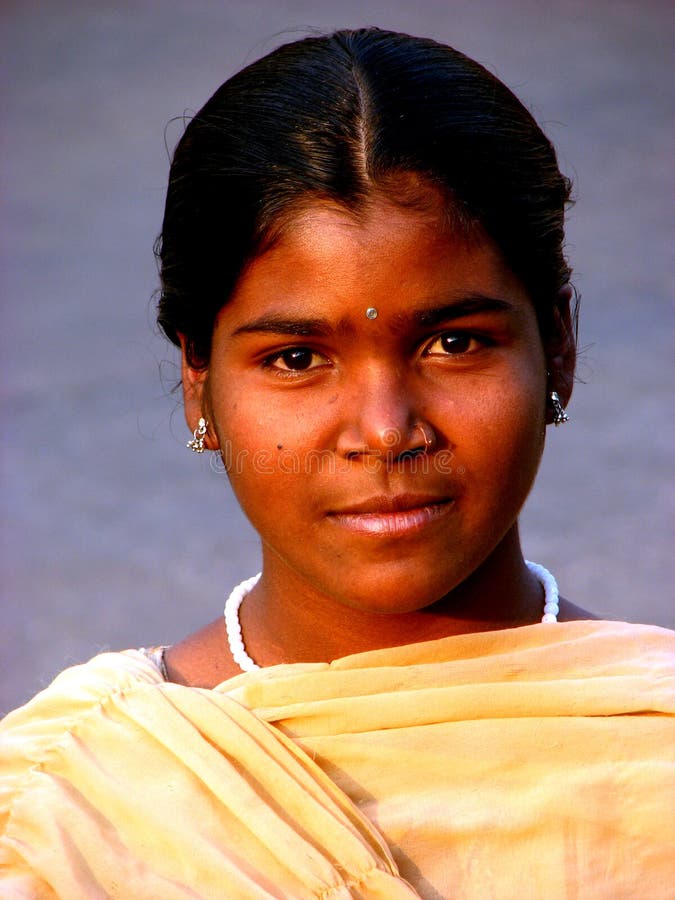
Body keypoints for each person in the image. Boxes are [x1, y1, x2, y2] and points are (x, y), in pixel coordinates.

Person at [1, 27, 673, 899]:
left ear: (559, 347)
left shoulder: (655, 746)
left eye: (453, 342)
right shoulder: (64, 811)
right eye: (295, 358)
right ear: (199, 380)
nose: (385, 431)